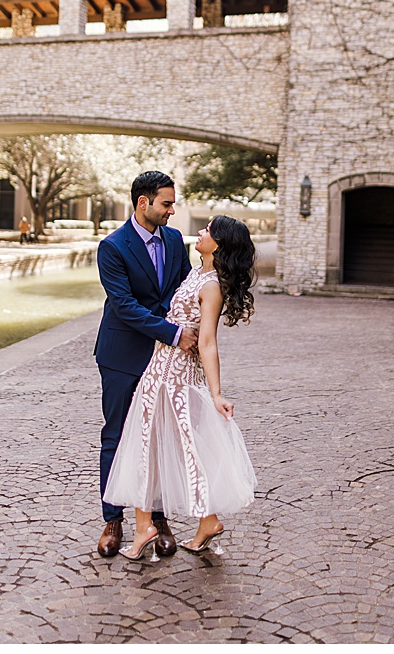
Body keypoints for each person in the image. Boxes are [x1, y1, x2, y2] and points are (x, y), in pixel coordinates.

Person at [104, 215, 258, 560]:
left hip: (172, 378)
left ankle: (164, 525)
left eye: (208, 230)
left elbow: (208, 341)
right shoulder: (197, 273)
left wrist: (217, 393)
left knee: (158, 446)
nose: (201, 232)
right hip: (160, 370)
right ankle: (191, 522)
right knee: (160, 446)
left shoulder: (212, 284)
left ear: (217, 244)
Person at [93, 171, 198, 558]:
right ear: (143, 203)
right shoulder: (112, 247)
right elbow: (124, 306)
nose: (172, 210)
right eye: (167, 203)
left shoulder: (174, 239)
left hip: (164, 361)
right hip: (122, 356)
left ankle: (157, 518)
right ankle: (113, 519)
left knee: (158, 438)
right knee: (117, 437)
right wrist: (173, 333)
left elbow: (184, 289)